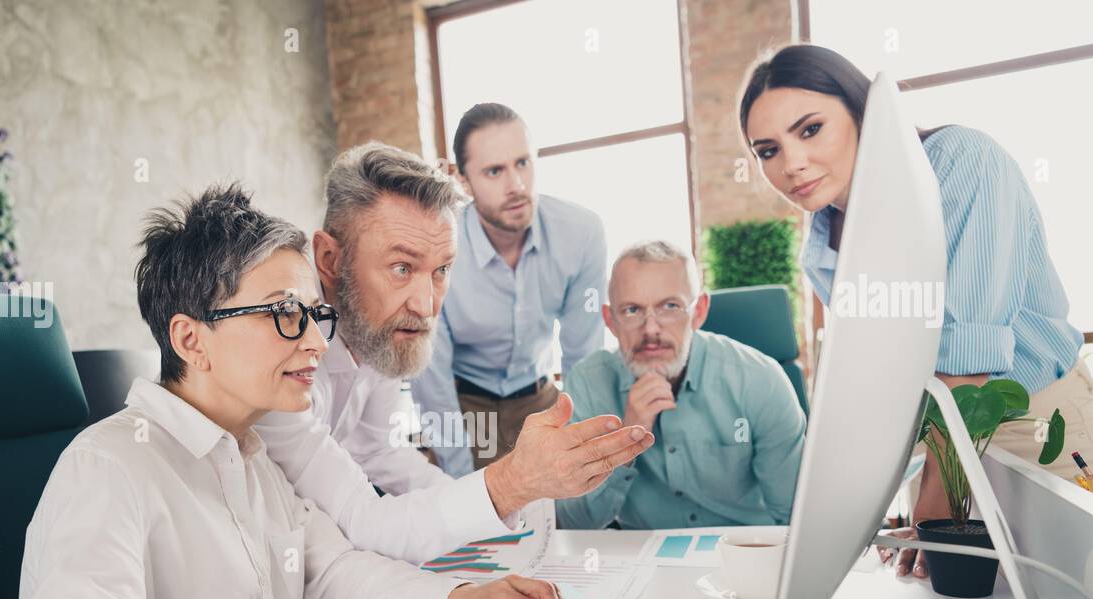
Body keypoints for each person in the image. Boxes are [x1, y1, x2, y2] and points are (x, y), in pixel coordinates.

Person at [6, 184, 568, 599]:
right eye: (282, 314)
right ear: (191, 340)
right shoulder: (109, 468)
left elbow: (331, 573)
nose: (317, 343)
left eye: (313, 315)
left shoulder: (252, 457)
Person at [740, 43, 1093, 578]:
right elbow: (890, 378)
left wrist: (937, 506)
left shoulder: (961, 162)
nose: (791, 164)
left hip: (1033, 428)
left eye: (810, 129)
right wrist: (894, 499)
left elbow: (967, 357)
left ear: (865, 112)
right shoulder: (824, 244)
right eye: (768, 150)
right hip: (942, 447)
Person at [254, 142, 653, 564]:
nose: (426, 305)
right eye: (402, 269)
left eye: (442, 270)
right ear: (330, 260)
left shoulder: (376, 328)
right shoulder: (282, 353)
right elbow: (362, 520)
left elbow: (379, 451)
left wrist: (497, 522)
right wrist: (509, 484)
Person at [412, 103, 609, 476]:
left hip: (540, 398)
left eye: (523, 163)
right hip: (465, 406)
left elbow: (582, 357)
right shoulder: (438, 248)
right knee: (471, 506)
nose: (516, 185)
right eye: (494, 171)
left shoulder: (582, 234)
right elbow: (432, 380)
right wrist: (460, 484)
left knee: (558, 505)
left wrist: (580, 454)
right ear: (463, 182)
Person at [556, 241, 806, 530]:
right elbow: (574, 524)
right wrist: (624, 442)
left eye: (670, 306)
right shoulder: (587, 384)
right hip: (641, 553)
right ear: (610, 321)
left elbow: (797, 519)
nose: (651, 329)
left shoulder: (760, 380)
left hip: (743, 548)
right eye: (632, 310)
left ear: (699, 311)